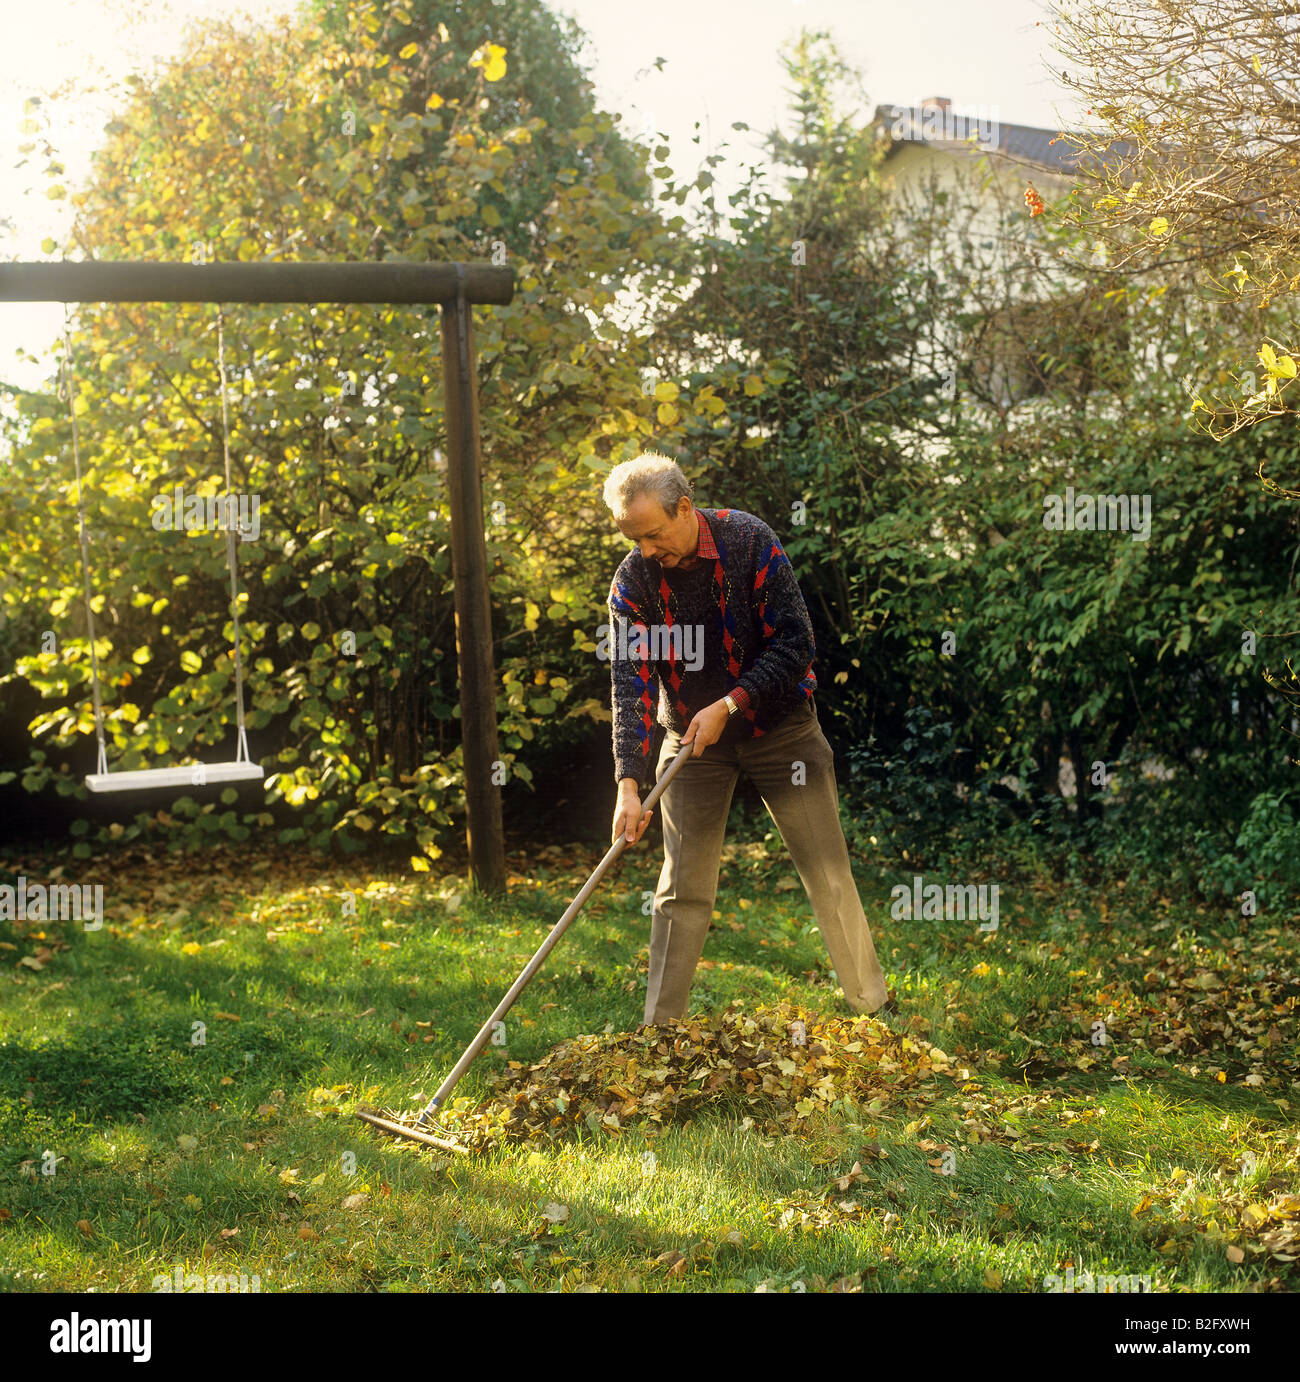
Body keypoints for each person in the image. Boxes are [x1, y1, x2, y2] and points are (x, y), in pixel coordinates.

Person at [603, 451, 890, 1024]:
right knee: (679, 890)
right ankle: (660, 1033)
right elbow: (629, 683)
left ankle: (874, 1010)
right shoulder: (633, 580)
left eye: (654, 535)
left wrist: (731, 703)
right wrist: (629, 783)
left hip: (779, 730)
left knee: (827, 871)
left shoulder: (748, 541)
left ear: (685, 507)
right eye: (635, 539)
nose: (647, 551)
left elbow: (795, 644)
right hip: (691, 743)